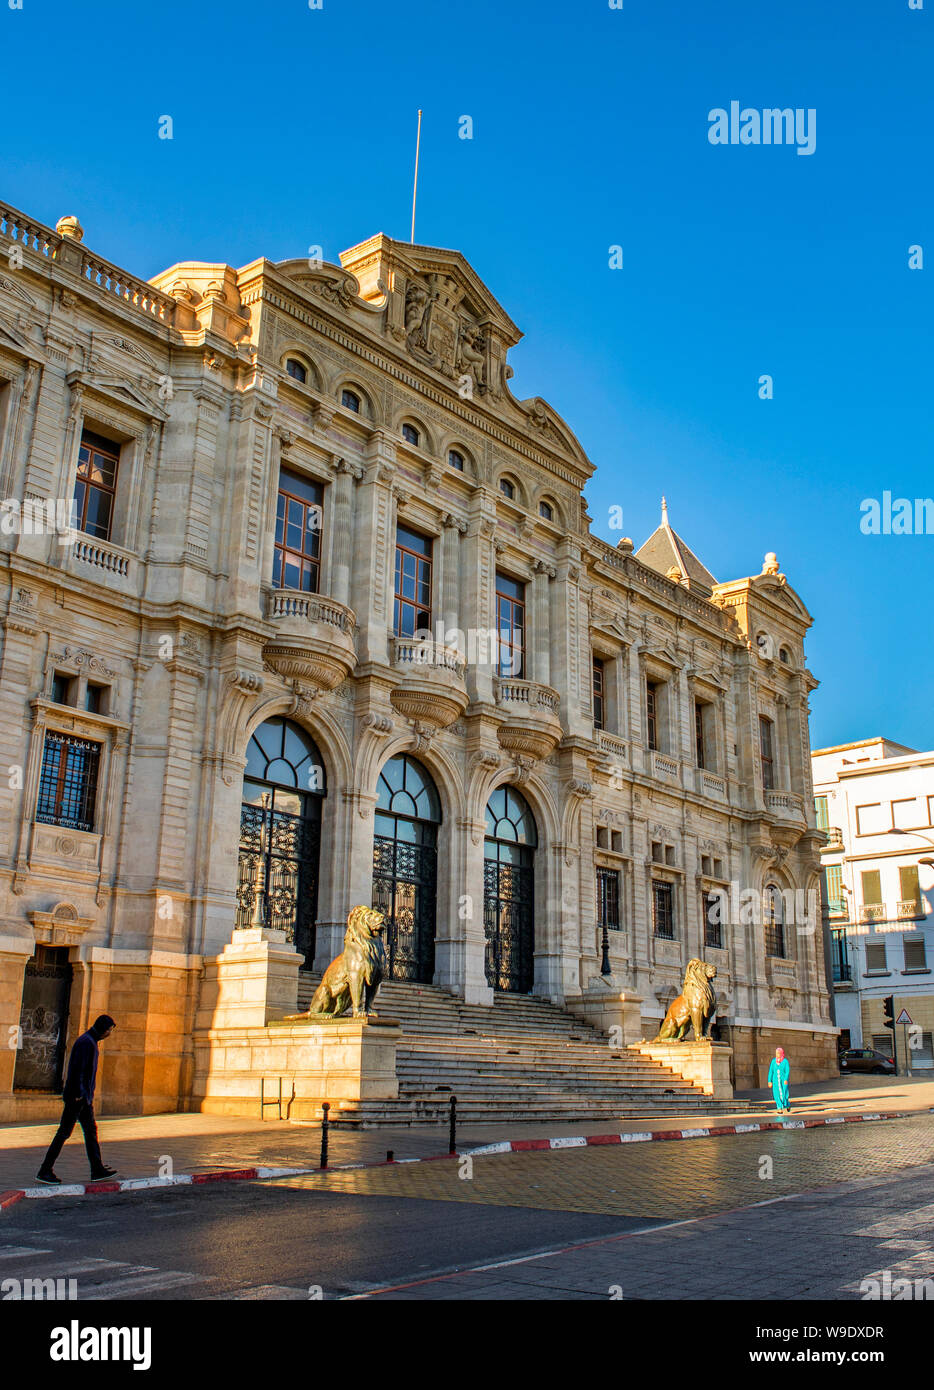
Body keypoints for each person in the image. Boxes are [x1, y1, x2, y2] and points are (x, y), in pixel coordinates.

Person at [36, 1015, 118, 1184]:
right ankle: (45, 1170)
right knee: (64, 1132)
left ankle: (97, 1169)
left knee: (90, 1131)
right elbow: (77, 1071)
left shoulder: (90, 1042)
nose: (110, 1033)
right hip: (77, 1097)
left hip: (84, 1098)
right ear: (103, 1029)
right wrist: (80, 1094)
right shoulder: (86, 1043)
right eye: (109, 1030)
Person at [768, 1045, 791, 1115]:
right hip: (775, 1082)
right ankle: (779, 1108)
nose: (777, 1054)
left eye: (778, 1053)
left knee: (784, 1095)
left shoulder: (785, 1061)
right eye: (776, 1053)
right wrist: (769, 1081)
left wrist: (786, 1079)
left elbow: (787, 1071)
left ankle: (787, 1105)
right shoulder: (773, 1061)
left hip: (783, 1081)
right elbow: (771, 1071)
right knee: (776, 1094)